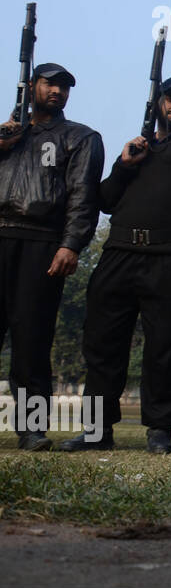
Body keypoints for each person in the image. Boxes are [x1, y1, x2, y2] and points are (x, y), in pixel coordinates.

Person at [61, 77, 171, 452]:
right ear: (156, 104)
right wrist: (124, 164)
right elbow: (104, 200)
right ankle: (97, 431)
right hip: (117, 253)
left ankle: (159, 430)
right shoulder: (136, 150)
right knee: (101, 346)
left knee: (166, 346)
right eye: (170, 100)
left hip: (169, 257)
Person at [0, 62, 104, 450]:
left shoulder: (79, 137)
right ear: (31, 86)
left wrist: (71, 244)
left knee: (31, 338)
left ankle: (30, 428)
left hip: (41, 241)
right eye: (49, 84)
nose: (57, 91)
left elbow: (83, 197)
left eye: (64, 87)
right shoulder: (7, 134)